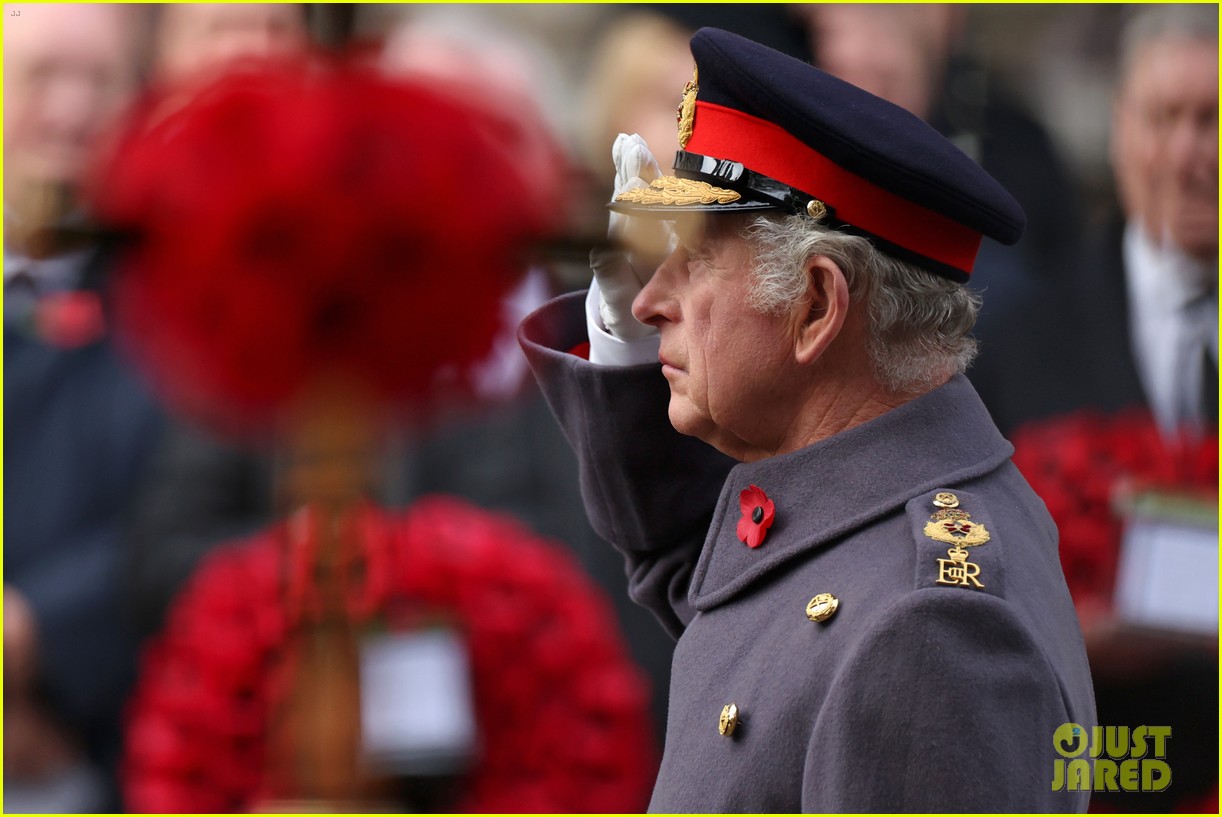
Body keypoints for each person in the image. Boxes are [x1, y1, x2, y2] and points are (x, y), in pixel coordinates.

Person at [519, 28, 1095, 811]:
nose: (651, 303)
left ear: (818, 306)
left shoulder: (930, 630)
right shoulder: (876, 497)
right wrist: (623, 353)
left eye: (694, 262)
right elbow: (707, 570)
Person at [4, 4, 161, 812]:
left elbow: (175, 516)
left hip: (96, 743)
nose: (71, 110)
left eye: (98, 81)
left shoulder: (176, 300)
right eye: (41, 77)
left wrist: (32, 635)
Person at [1071, 5, 1217, 437]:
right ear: (1120, 130)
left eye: (1213, 119)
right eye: (1162, 118)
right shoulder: (1024, 342)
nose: (1186, 157)